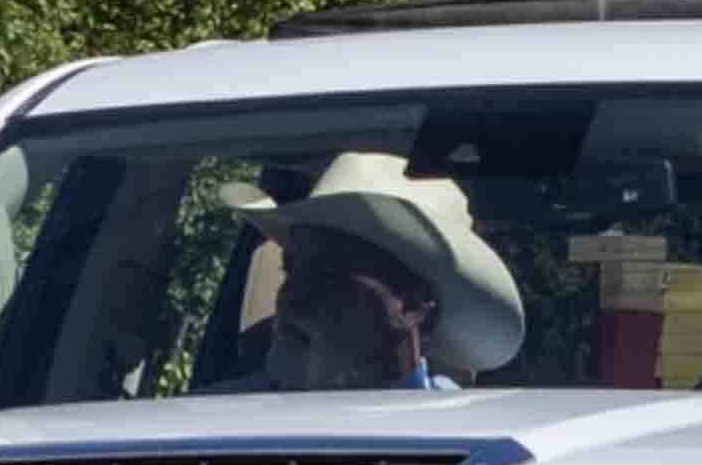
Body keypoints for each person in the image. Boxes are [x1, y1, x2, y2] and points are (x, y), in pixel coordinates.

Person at [208, 153, 530, 392]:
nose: (290, 297)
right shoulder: (206, 426)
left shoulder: (469, 435)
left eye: (325, 278)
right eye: (289, 272)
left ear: (413, 308)